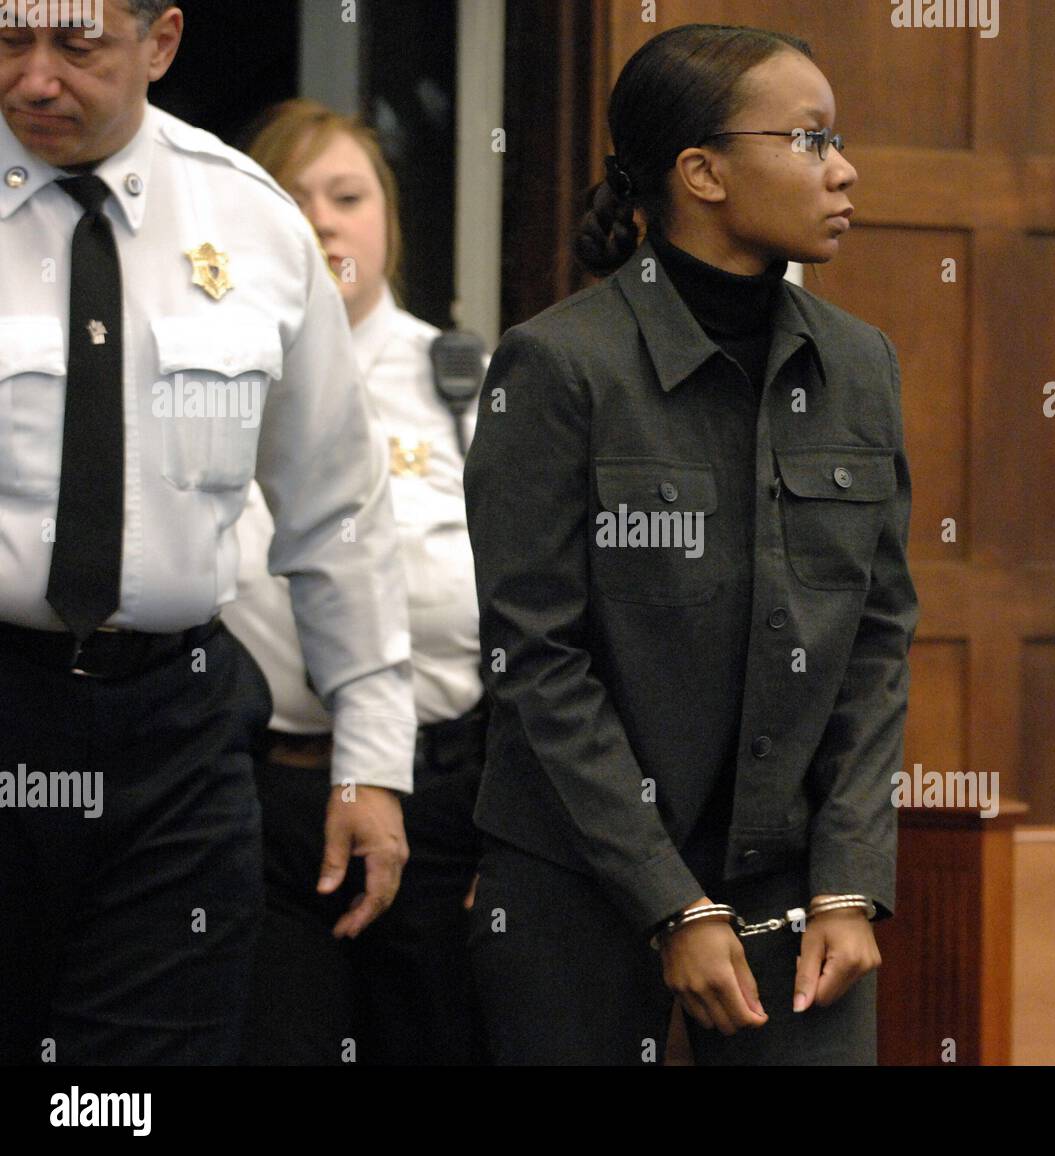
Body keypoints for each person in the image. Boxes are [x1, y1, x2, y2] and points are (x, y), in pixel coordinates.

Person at [464, 23, 919, 1066]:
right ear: (701, 171)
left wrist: (849, 879)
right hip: (579, 874)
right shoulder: (556, 366)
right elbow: (536, 659)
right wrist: (669, 900)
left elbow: (876, 640)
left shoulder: (858, 365)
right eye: (808, 139)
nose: (842, 168)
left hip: (792, 881)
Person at [0, 1, 415, 1065]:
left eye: (76, 45)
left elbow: (336, 506)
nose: (36, 78)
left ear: (162, 42)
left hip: (174, 740)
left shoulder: (253, 220)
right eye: (8, 40)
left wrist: (369, 759)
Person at [222, 99, 488, 1066]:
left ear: (390, 219)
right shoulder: (207, 371)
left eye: (349, 196)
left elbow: (537, 616)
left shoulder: (464, 380)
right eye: (295, 198)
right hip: (266, 798)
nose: (326, 221)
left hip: (442, 797)